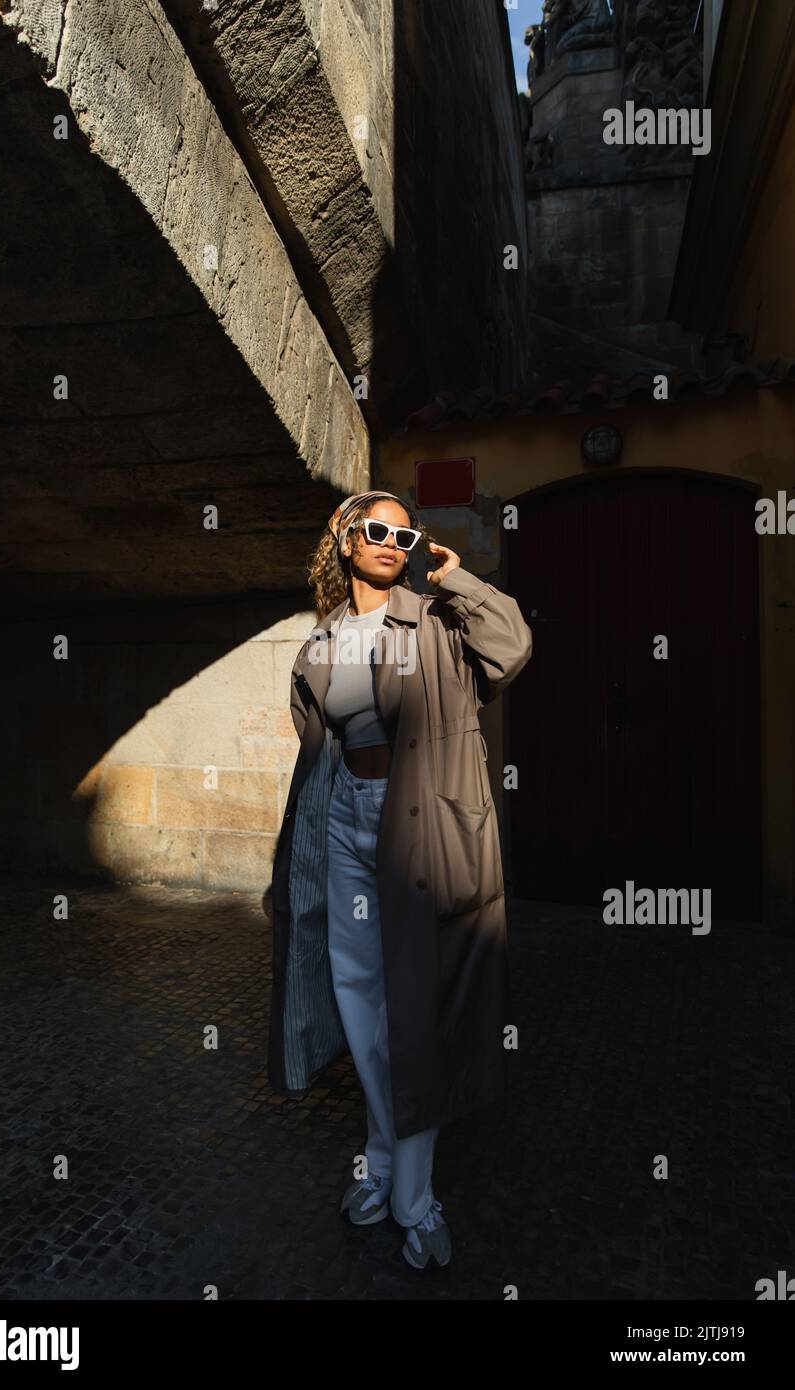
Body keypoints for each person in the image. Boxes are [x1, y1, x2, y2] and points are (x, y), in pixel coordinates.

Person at [267, 490, 533, 1270]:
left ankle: (411, 1194)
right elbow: (316, 743)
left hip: (420, 818)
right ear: (343, 538)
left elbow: (511, 648)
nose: (391, 541)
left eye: (403, 533)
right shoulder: (318, 644)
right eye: (375, 530)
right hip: (343, 814)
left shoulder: (436, 619)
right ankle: (381, 1157)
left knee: (416, 1005)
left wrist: (459, 581)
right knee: (358, 992)